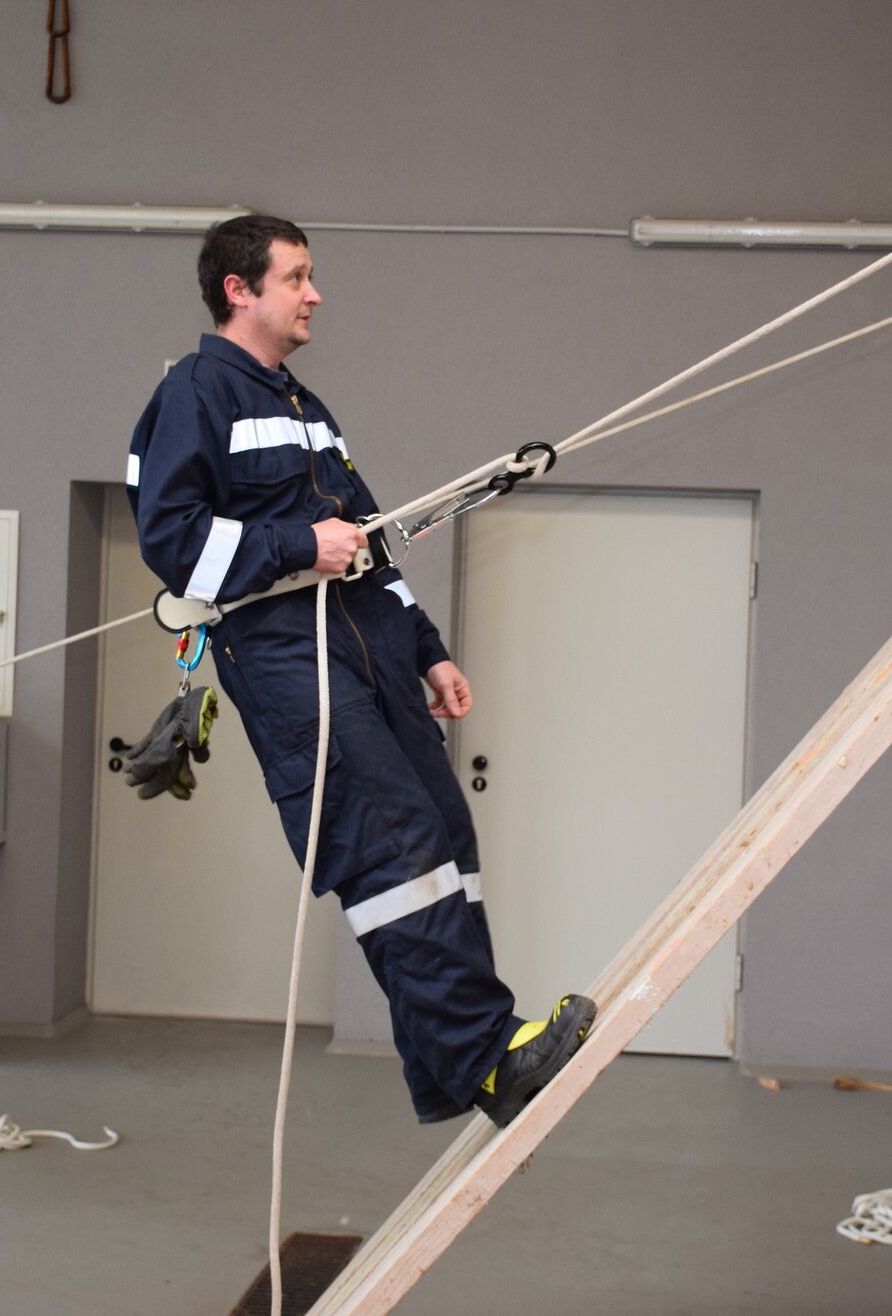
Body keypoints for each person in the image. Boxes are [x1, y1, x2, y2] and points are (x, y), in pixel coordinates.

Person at [127, 214, 593, 1126]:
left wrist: (428, 649)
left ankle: (457, 1065)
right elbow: (173, 543)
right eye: (297, 277)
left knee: (445, 834)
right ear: (239, 290)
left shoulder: (305, 407)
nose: (316, 294)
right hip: (284, 654)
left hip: (369, 647)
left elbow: (370, 545)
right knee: (393, 846)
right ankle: (487, 1056)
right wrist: (297, 544)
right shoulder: (193, 394)